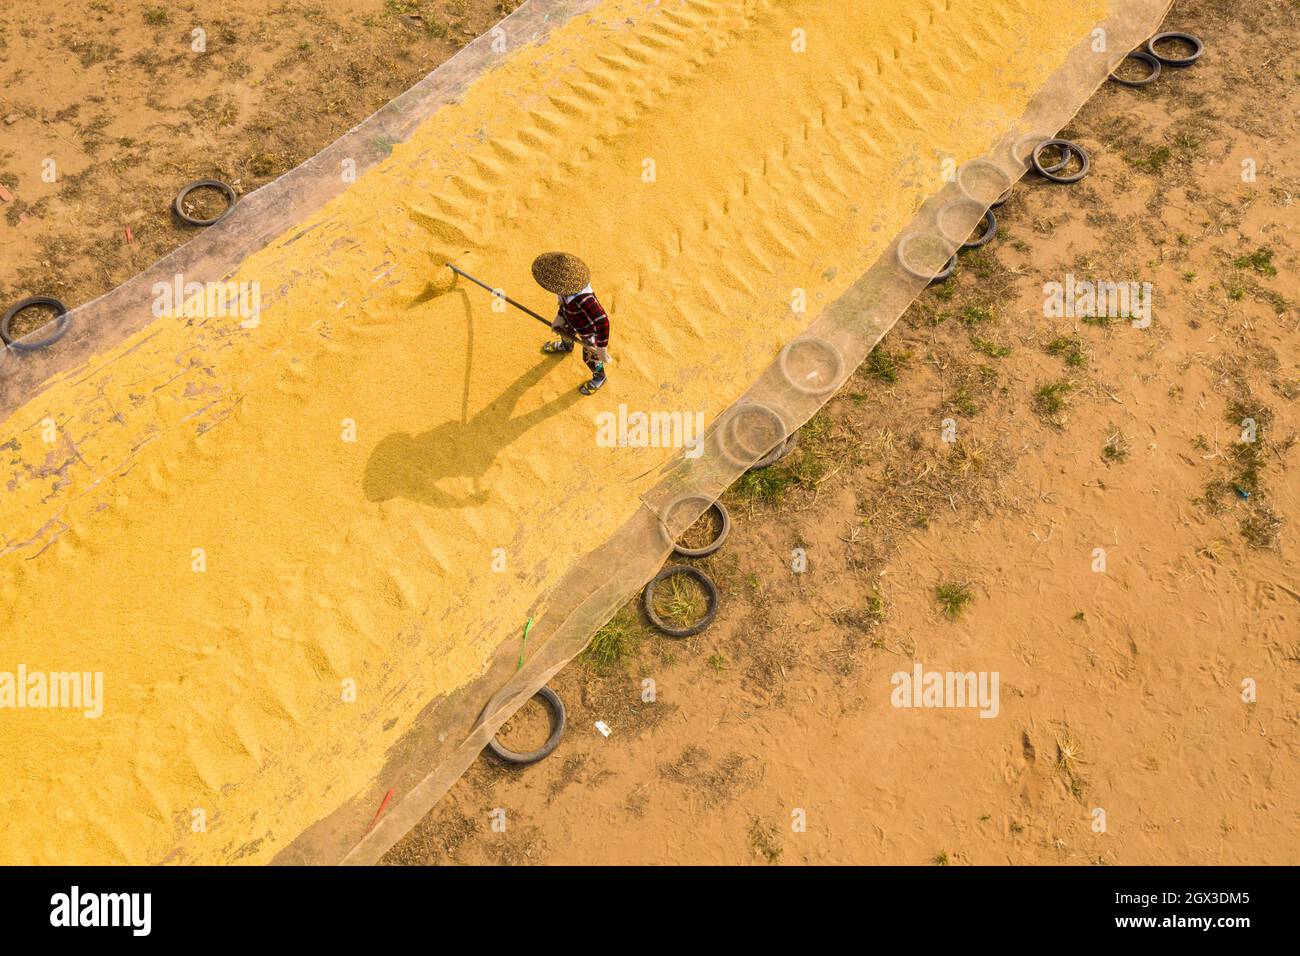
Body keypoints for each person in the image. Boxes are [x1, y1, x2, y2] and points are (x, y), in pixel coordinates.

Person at [531, 252, 610, 395]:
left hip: (589, 331)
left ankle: (600, 377)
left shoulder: (585, 300)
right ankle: (566, 346)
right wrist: (559, 319)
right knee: (564, 332)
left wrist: (601, 348)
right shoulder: (564, 289)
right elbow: (564, 305)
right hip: (571, 319)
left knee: (591, 358)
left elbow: (603, 321)